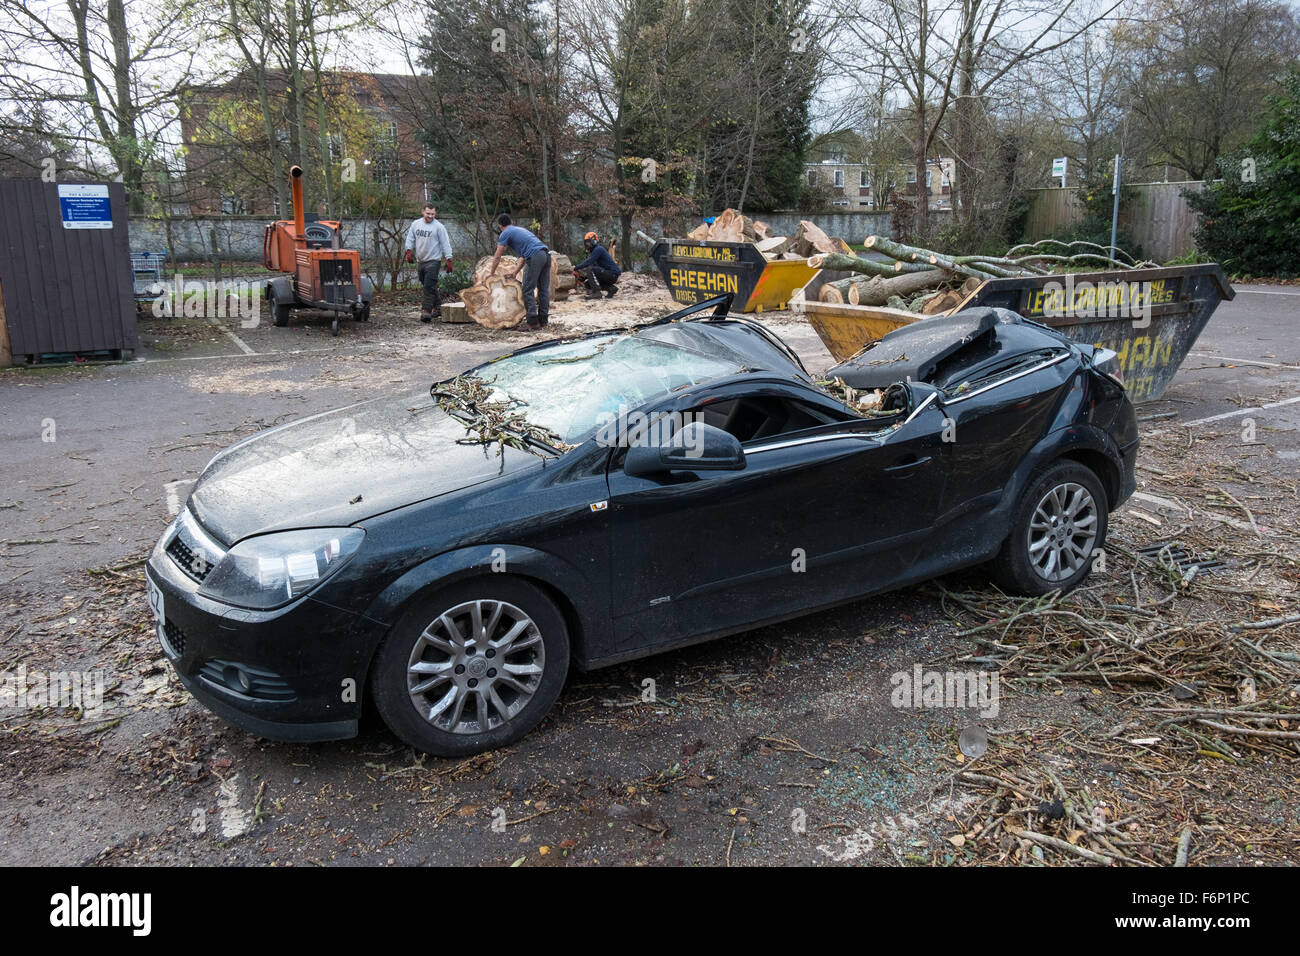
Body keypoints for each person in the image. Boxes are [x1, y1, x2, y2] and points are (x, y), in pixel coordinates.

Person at [488, 213, 550, 330]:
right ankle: (543, 321)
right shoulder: (520, 230)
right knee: (543, 289)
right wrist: (515, 272)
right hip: (546, 255)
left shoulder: (505, 233)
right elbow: (524, 256)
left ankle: (532, 323)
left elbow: (497, 256)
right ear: (511, 222)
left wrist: (491, 274)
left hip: (535, 256)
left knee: (527, 289)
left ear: (500, 225)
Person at [404, 204, 453, 322]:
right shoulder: (416, 224)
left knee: (428, 286)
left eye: (432, 214)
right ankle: (440, 308)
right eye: (428, 213)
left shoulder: (438, 227)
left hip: (434, 260)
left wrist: (449, 258)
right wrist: (408, 251)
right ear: (423, 212)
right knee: (428, 285)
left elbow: (445, 243)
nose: (430, 216)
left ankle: (426, 311)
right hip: (421, 260)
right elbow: (410, 238)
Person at [573, 231, 621, 299]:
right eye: (586, 242)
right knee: (588, 284)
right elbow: (594, 268)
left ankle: (597, 293)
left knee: (590, 269)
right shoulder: (594, 251)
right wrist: (582, 278)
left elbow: (588, 263)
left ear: (593, 241)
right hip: (608, 274)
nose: (587, 244)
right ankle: (611, 289)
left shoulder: (598, 249)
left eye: (588, 242)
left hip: (612, 274)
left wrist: (575, 268)